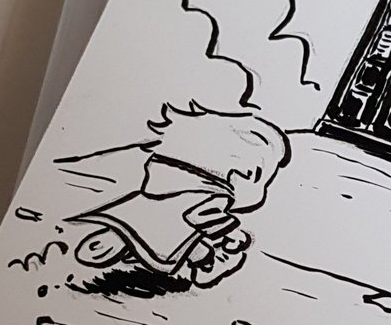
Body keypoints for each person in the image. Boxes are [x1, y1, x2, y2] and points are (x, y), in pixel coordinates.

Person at [70, 104, 290, 289]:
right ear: (249, 174)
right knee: (196, 248)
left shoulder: (166, 173)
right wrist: (232, 233)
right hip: (172, 233)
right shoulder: (212, 193)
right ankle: (208, 266)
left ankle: (121, 243)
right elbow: (201, 216)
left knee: (135, 224)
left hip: (140, 212)